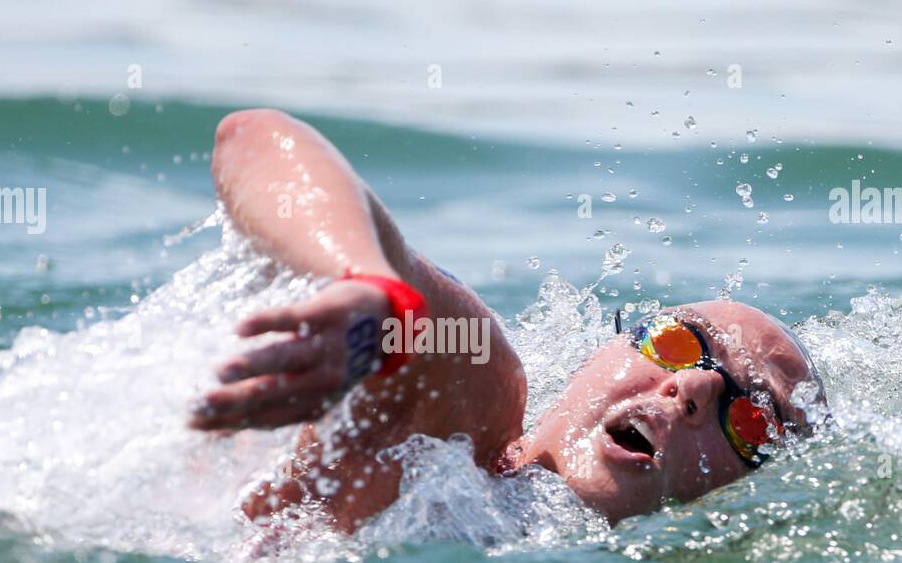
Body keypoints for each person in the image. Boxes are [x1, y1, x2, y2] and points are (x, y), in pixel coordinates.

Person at [190, 109, 825, 532]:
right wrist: (374, 289)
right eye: (677, 342)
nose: (695, 387)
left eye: (753, 419)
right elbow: (254, 138)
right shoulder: (468, 412)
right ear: (592, 359)